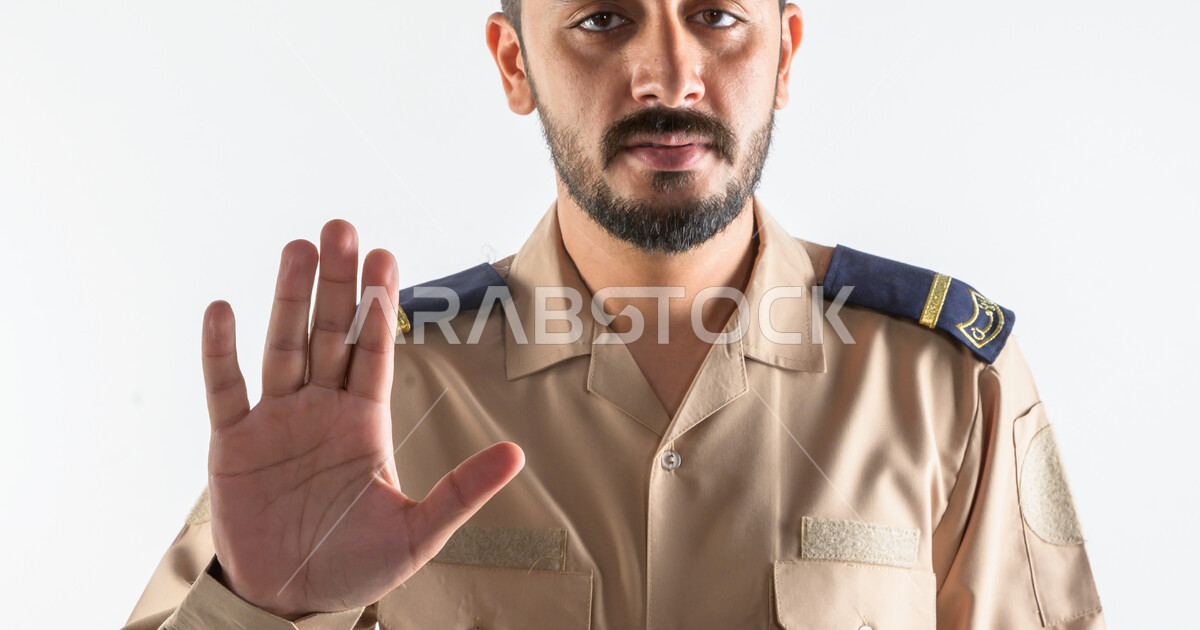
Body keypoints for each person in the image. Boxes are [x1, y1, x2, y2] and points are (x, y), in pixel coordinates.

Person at [124, 1, 1104, 628]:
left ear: (787, 51)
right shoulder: (379, 391)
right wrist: (260, 612)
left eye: (718, 15)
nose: (669, 75)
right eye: (602, 19)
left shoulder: (949, 380)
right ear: (514, 63)